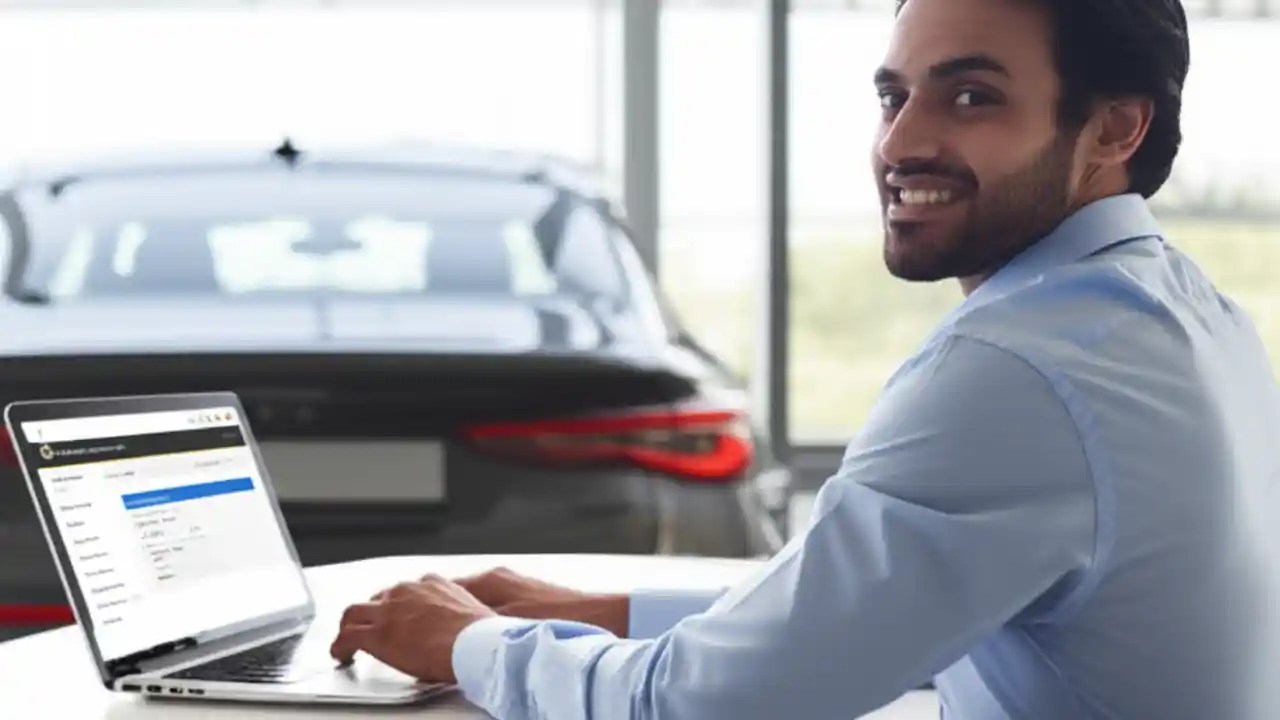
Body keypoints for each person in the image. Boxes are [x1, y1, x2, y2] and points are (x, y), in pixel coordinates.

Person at [331, 0, 1280, 716]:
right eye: (892, 96)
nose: (901, 142)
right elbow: (888, 616)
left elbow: (702, 706)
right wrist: (601, 606)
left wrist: (474, 646)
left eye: (971, 96)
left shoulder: (1018, 365)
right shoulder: (1194, 319)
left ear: (1115, 128)